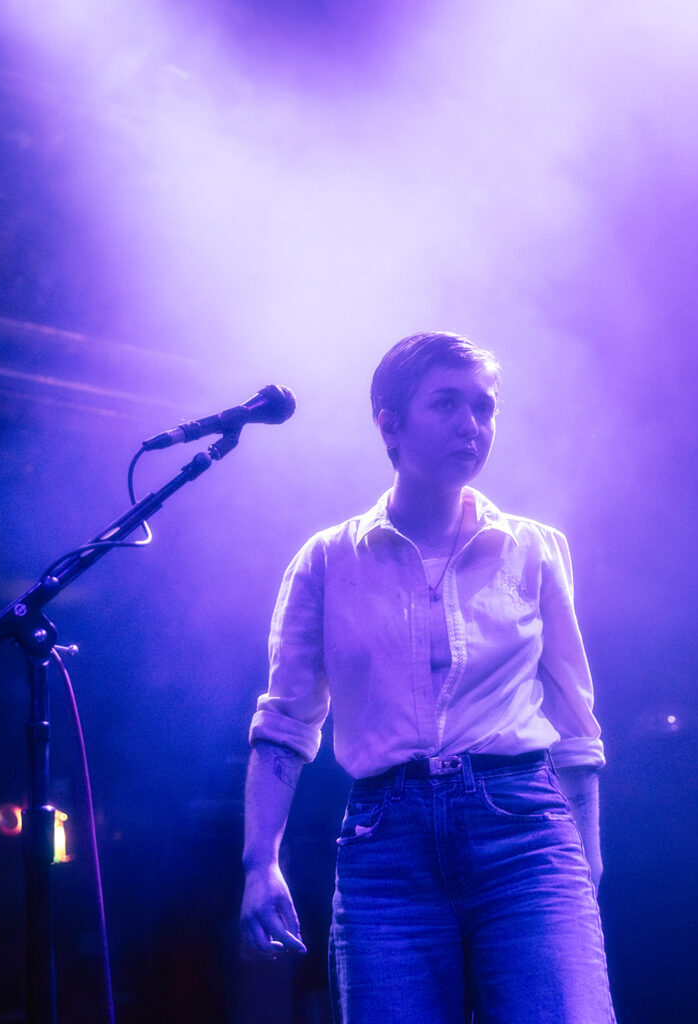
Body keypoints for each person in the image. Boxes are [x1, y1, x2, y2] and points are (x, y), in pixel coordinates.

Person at [239, 331, 615, 1023]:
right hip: (387, 850)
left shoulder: (534, 550)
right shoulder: (326, 562)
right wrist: (260, 862)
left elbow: (574, 726)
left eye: (484, 407)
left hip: (526, 835)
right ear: (389, 422)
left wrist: (586, 862)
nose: (471, 424)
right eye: (447, 403)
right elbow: (285, 724)